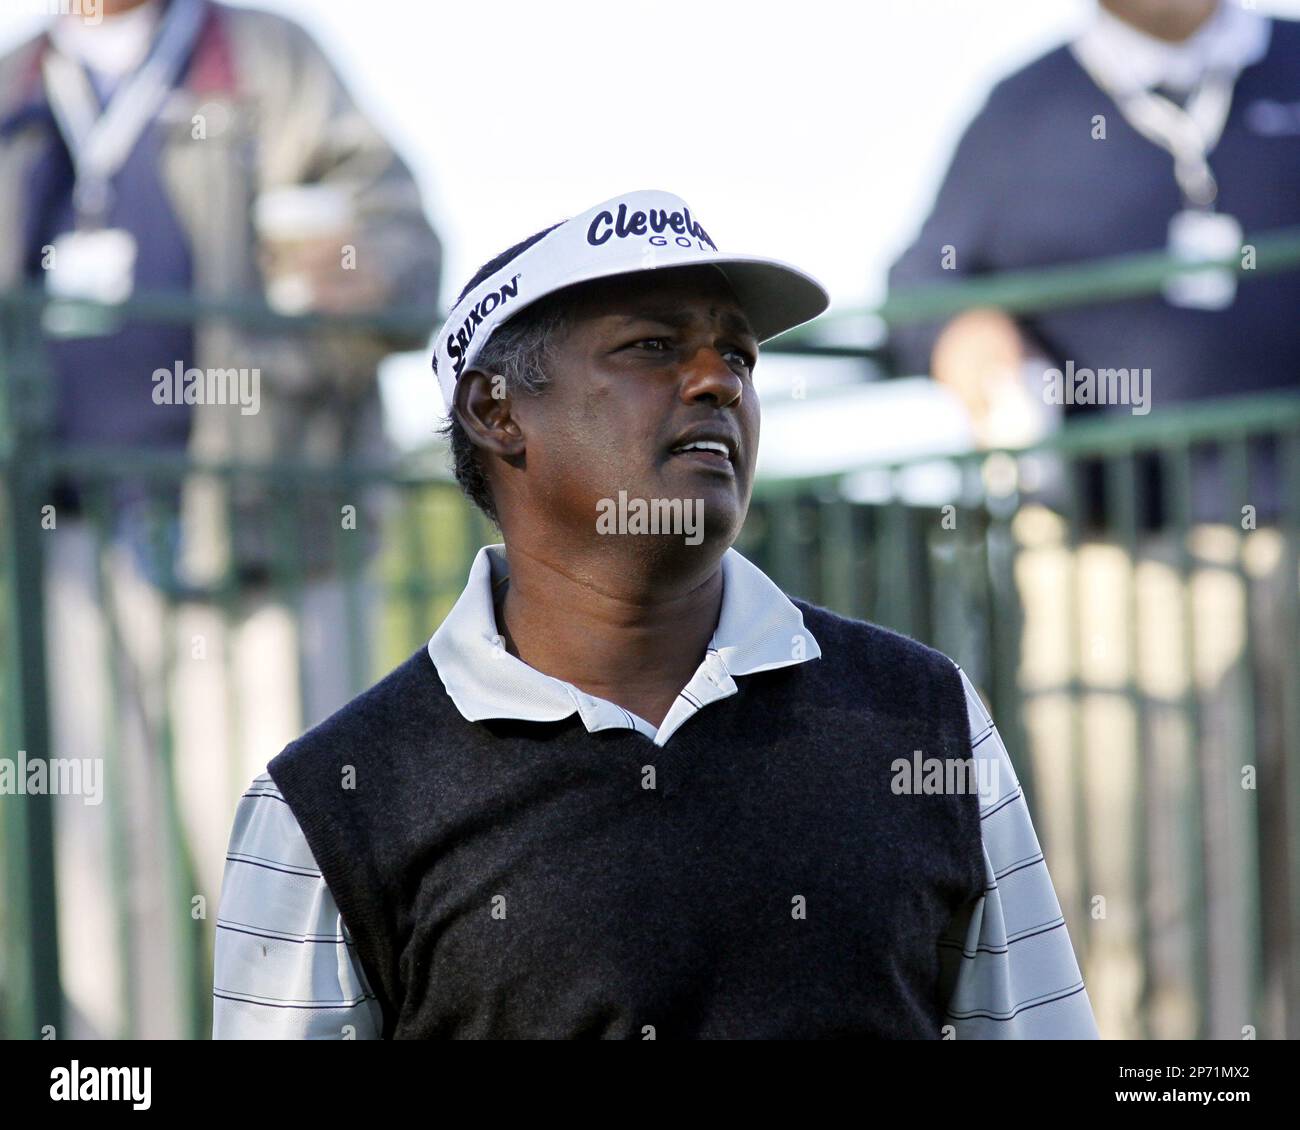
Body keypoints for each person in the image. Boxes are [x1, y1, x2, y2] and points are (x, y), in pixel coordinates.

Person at [212, 188, 1098, 1039]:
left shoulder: (926, 717)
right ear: (496, 410)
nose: (718, 381)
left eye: (739, 357)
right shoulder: (331, 804)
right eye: (650, 347)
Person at [0, 0, 442, 1037]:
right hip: (69, 543)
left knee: (292, 877)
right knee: (102, 881)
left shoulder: (262, 56)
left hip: (262, 540)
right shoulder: (18, 87)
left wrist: (340, 277)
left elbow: (403, 256)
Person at [885, 0, 1298, 1037]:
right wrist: (968, 336)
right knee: (1154, 907)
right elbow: (916, 286)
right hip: (1118, 560)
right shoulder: (1022, 110)